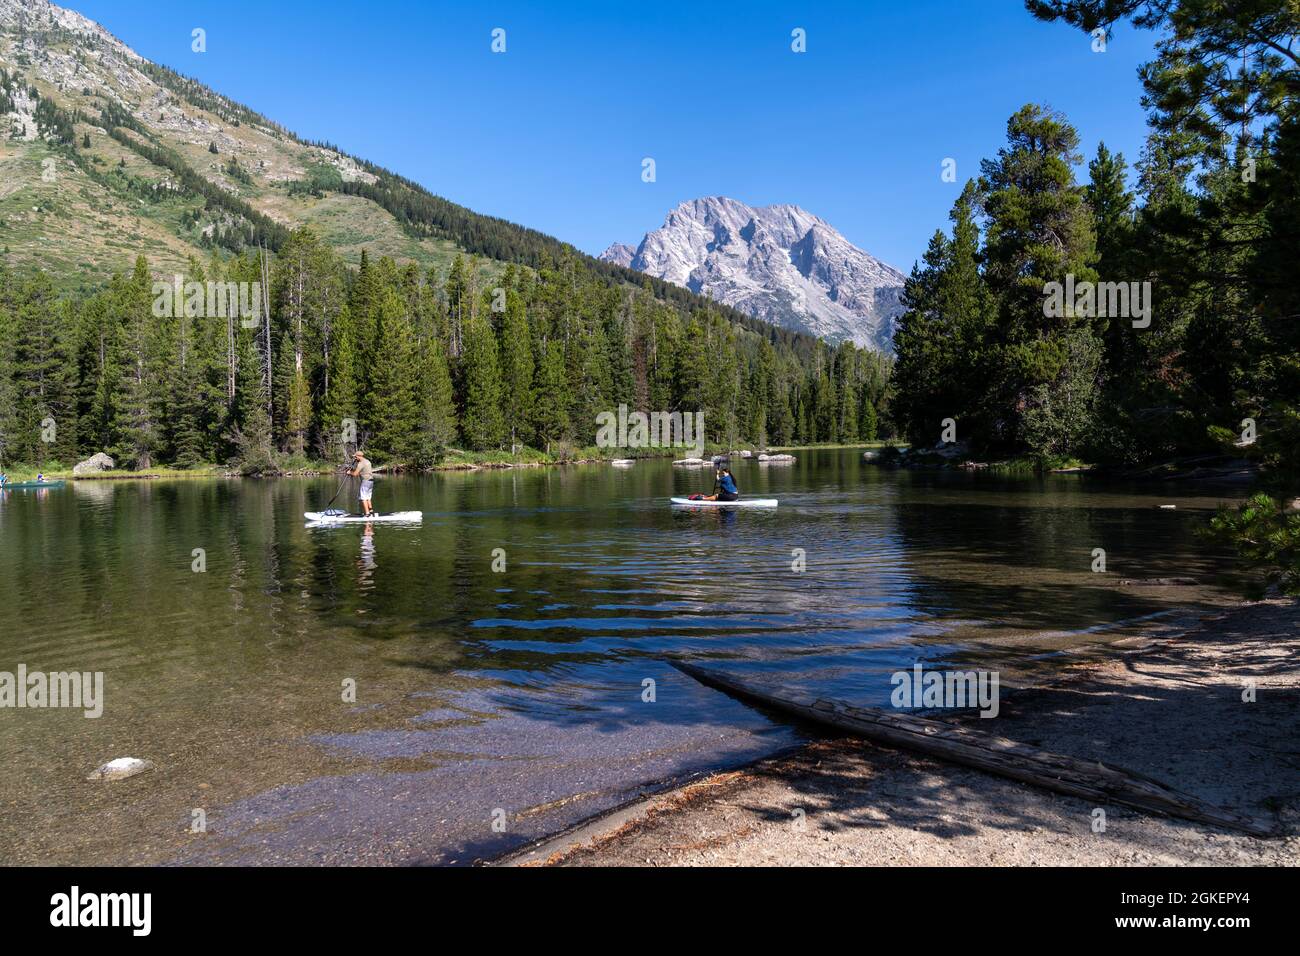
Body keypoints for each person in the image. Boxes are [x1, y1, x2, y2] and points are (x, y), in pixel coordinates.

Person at [349, 450, 375, 517]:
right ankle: (371, 511)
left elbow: (355, 474)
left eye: (356, 457)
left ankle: (367, 513)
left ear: (359, 456)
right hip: (371, 481)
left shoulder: (361, 463)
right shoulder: (367, 461)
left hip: (366, 481)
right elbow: (362, 472)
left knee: (363, 498)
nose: (355, 458)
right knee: (368, 497)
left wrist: (349, 472)